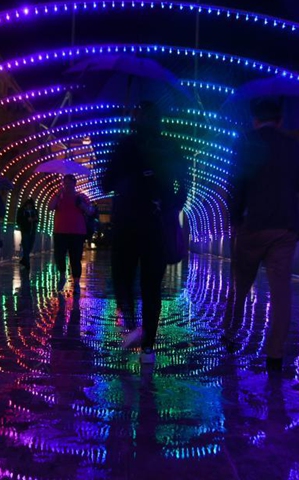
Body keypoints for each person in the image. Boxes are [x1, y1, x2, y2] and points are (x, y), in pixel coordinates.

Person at [224, 98, 299, 373]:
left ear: (255, 120)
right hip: (285, 228)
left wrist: (235, 219)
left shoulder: (245, 143)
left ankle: (231, 332)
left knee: (240, 283)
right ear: (280, 120)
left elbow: (235, 184)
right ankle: (275, 355)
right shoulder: (293, 145)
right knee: (281, 292)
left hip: (253, 225)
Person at [102, 101, 188, 365]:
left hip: (127, 222)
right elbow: (184, 182)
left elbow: (105, 183)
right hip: (156, 222)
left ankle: (130, 325)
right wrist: (171, 205)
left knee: (123, 277)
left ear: (136, 119)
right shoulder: (170, 146)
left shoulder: (126, 145)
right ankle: (148, 347)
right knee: (152, 287)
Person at [48, 174, 93, 295]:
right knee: (59, 256)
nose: (67, 185)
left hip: (77, 232)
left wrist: (82, 205)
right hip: (60, 231)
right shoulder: (59, 196)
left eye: (70, 183)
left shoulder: (81, 197)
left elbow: (90, 211)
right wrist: (57, 195)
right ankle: (62, 276)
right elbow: (50, 207)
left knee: (75, 258)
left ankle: (76, 283)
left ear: (74, 183)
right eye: (65, 183)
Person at [16, 198, 39, 269]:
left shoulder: (34, 211)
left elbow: (37, 220)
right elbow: (18, 220)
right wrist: (26, 220)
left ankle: (24, 259)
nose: (30, 206)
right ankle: (27, 263)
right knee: (26, 246)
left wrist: (35, 219)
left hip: (32, 231)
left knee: (30, 246)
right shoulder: (22, 211)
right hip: (25, 231)